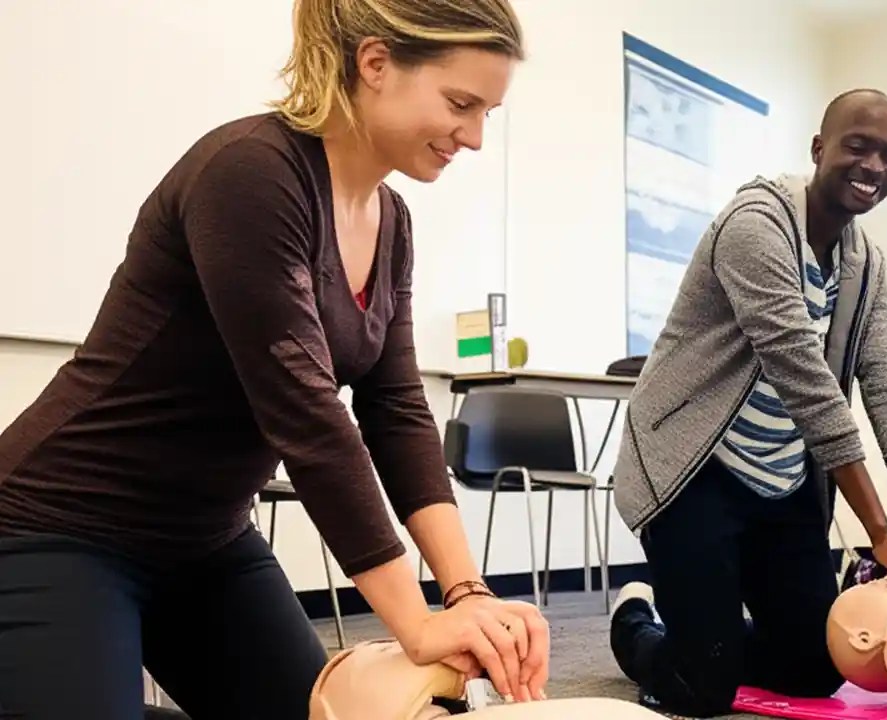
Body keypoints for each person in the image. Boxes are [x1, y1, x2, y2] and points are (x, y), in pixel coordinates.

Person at [0, 1, 548, 718]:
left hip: (206, 543)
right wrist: (414, 624)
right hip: (62, 527)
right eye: (460, 103)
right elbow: (309, 418)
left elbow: (396, 409)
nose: (474, 137)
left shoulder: (392, 223)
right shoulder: (250, 174)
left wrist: (465, 593)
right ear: (375, 63)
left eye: (488, 114)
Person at [607, 88, 887, 718]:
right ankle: (635, 618)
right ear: (819, 149)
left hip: (783, 476)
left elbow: (885, 380)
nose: (874, 167)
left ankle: (707, 631)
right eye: (858, 147)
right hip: (695, 471)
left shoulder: (865, 262)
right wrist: (879, 534)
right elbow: (804, 376)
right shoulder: (755, 224)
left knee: (817, 667)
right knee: (700, 689)